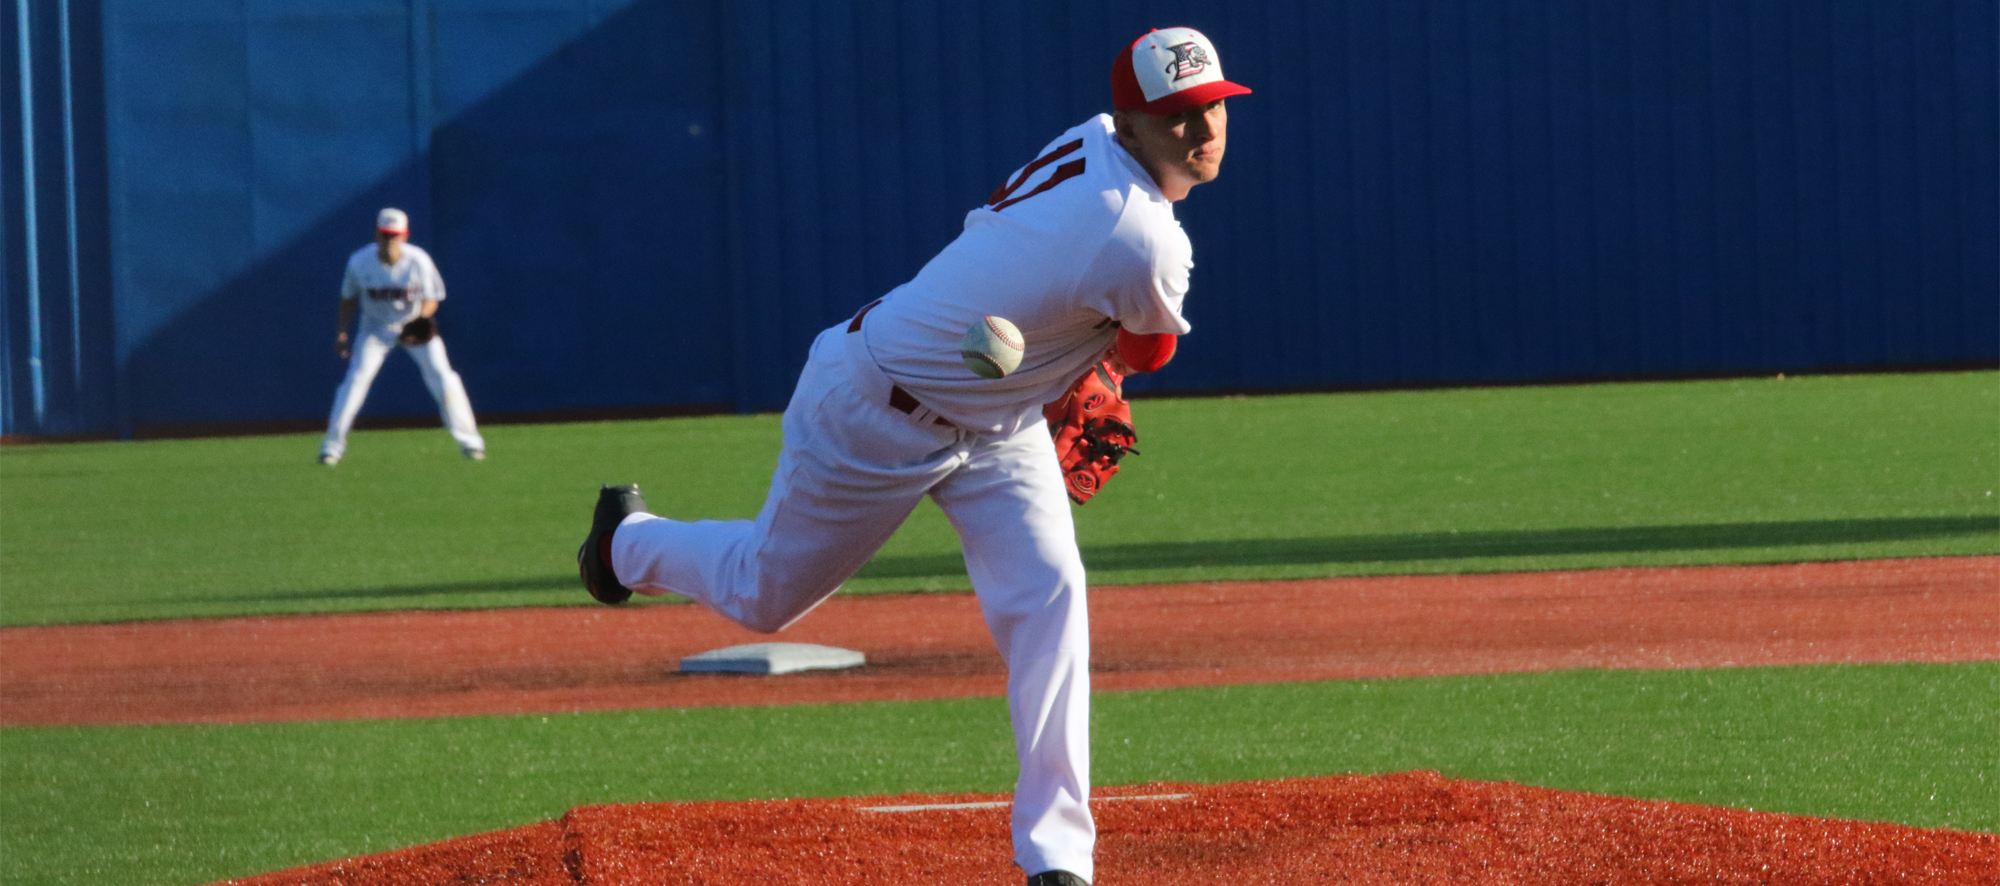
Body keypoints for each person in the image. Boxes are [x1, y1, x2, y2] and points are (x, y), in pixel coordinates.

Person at [577, 28, 1247, 886]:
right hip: (877, 410)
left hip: (998, 421)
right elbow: (1149, 354)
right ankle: (627, 539)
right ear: (1130, 122)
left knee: (1050, 599)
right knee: (762, 594)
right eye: (1178, 115)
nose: (1202, 130)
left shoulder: (1089, 139)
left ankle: (1057, 857)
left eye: (1213, 108)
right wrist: (1086, 366)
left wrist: (1061, 361)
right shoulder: (1143, 238)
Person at [318, 208, 486, 465]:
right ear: (376, 234)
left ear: (405, 236)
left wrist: (420, 320)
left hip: (412, 323)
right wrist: (341, 332)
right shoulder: (359, 261)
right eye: (385, 235)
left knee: (444, 377)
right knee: (355, 381)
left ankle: (471, 443)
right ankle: (331, 447)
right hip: (375, 327)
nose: (389, 241)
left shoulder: (418, 260)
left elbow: (432, 298)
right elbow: (348, 299)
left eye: (394, 235)